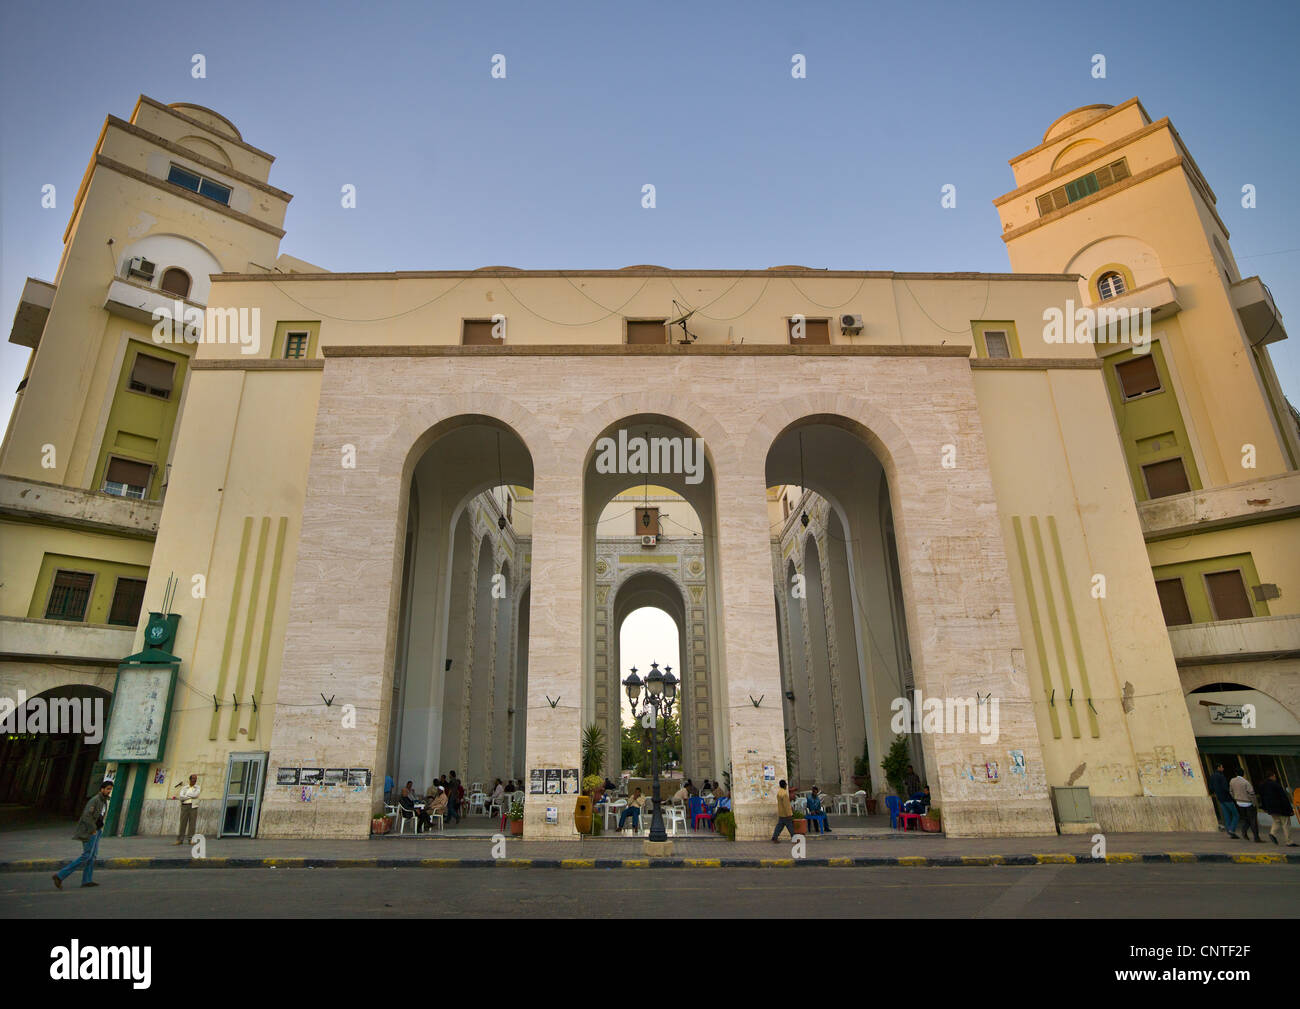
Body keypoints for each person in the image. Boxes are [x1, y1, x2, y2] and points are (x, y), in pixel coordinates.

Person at [53, 779, 112, 889]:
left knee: (92, 856)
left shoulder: (104, 800)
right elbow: (86, 816)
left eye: (110, 789)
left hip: (97, 831)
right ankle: (60, 875)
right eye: (108, 789)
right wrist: (93, 829)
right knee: (86, 855)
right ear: (102, 789)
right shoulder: (95, 800)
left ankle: (87, 880)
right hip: (90, 831)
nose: (109, 791)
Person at [1258, 771, 1297, 847]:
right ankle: (1289, 841)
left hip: (1271, 809)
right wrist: (1290, 810)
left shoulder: (1262, 785)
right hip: (1281, 808)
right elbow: (1283, 798)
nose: (1275, 777)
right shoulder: (1276, 785)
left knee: (1277, 821)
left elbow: (1262, 797)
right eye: (1274, 776)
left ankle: (1272, 833)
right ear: (1271, 776)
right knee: (1286, 824)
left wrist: (1265, 808)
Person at [1229, 769, 1261, 842]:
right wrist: (1254, 803)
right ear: (1243, 774)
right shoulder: (1246, 782)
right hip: (1248, 803)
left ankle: (1244, 831)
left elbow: (1231, 791)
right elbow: (1251, 793)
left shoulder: (1232, 781)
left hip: (1239, 803)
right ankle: (1256, 837)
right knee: (1253, 820)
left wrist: (1235, 797)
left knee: (1246, 819)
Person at [1208, 763, 1239, 838]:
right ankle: (1232, 829)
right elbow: (1225, 788)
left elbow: (1211, 787)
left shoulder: (1212, 776)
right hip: (1227, 798)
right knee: (1236, 815)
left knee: (1226, 815)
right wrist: (1232, 794)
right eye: (1222, 767)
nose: (1223, 768)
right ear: (1218, 768)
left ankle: (1229, 831)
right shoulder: (1221, 776)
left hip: (1220, 798)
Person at [174, 773, 201, 845]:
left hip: (193, 806)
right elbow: (181, 797)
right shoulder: (185, 787)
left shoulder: (197, 787)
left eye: (196, 779)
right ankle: (180, 839)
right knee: (182, 823)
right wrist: (190, 796)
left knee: (192, 823)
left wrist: (187, 795)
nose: (194, 780)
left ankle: (191, 839)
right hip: (185, 805)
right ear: (190, 779)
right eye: (193, 779)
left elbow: (196, 795)